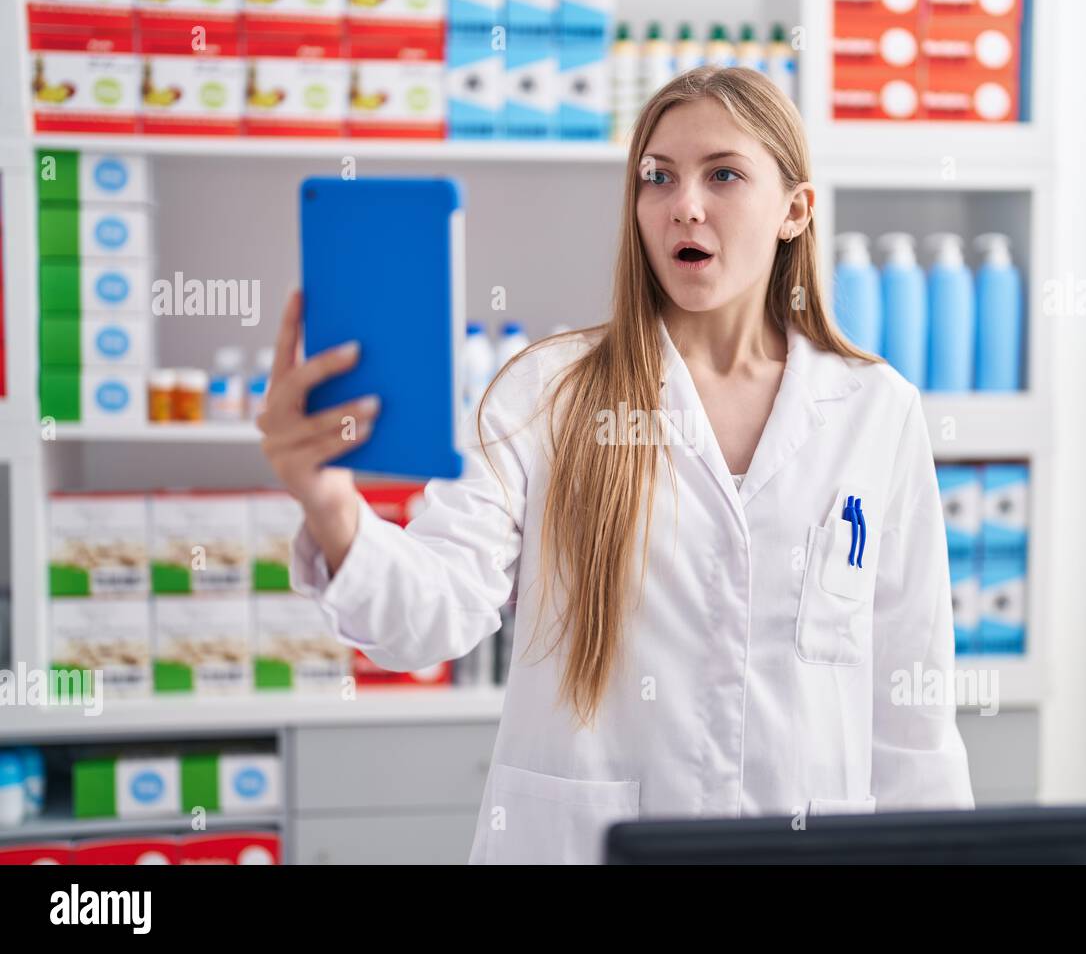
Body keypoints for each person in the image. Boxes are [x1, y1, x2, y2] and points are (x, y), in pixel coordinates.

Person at [258, 66, 974, 865]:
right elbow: (433, 614)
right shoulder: (548, 391)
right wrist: (330, 507)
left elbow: (912, 712)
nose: (684, 205)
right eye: (656, 178)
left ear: (795, 211)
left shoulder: (875, 410)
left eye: (724, 175)